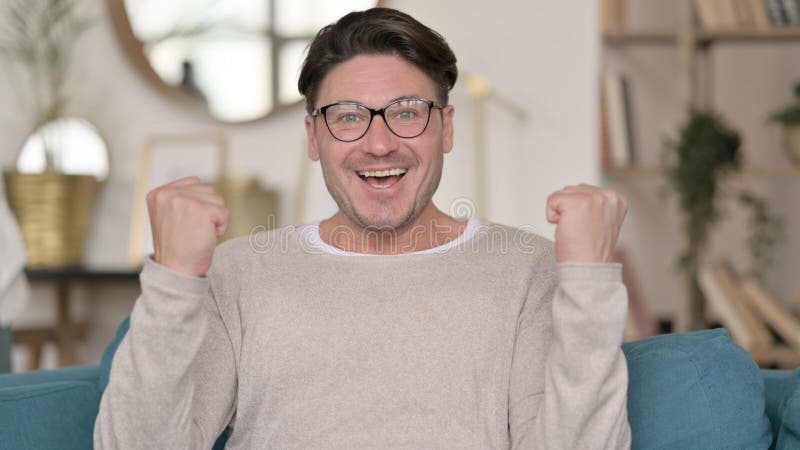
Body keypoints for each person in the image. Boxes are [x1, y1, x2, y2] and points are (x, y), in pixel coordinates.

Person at [95, 7, 631, 449]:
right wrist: (174, 278)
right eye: (349, 116)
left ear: (445, 129)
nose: (379, 144)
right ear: (313, 137)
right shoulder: (239, 272)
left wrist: (588, 281)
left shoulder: (528, 268)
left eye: (406, 113)